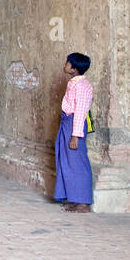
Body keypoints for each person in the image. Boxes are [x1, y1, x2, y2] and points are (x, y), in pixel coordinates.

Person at [55, 51, 94, 211]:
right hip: (67, 123)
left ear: (74, 69)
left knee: (77, 162)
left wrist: (75, 136)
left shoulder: (83, 86)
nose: (65, 65)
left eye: (67, 63)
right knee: (66, 161)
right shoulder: (73, 83)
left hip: (74, 125)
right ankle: (74, 197)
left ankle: (84, 202)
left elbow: (81, 112)